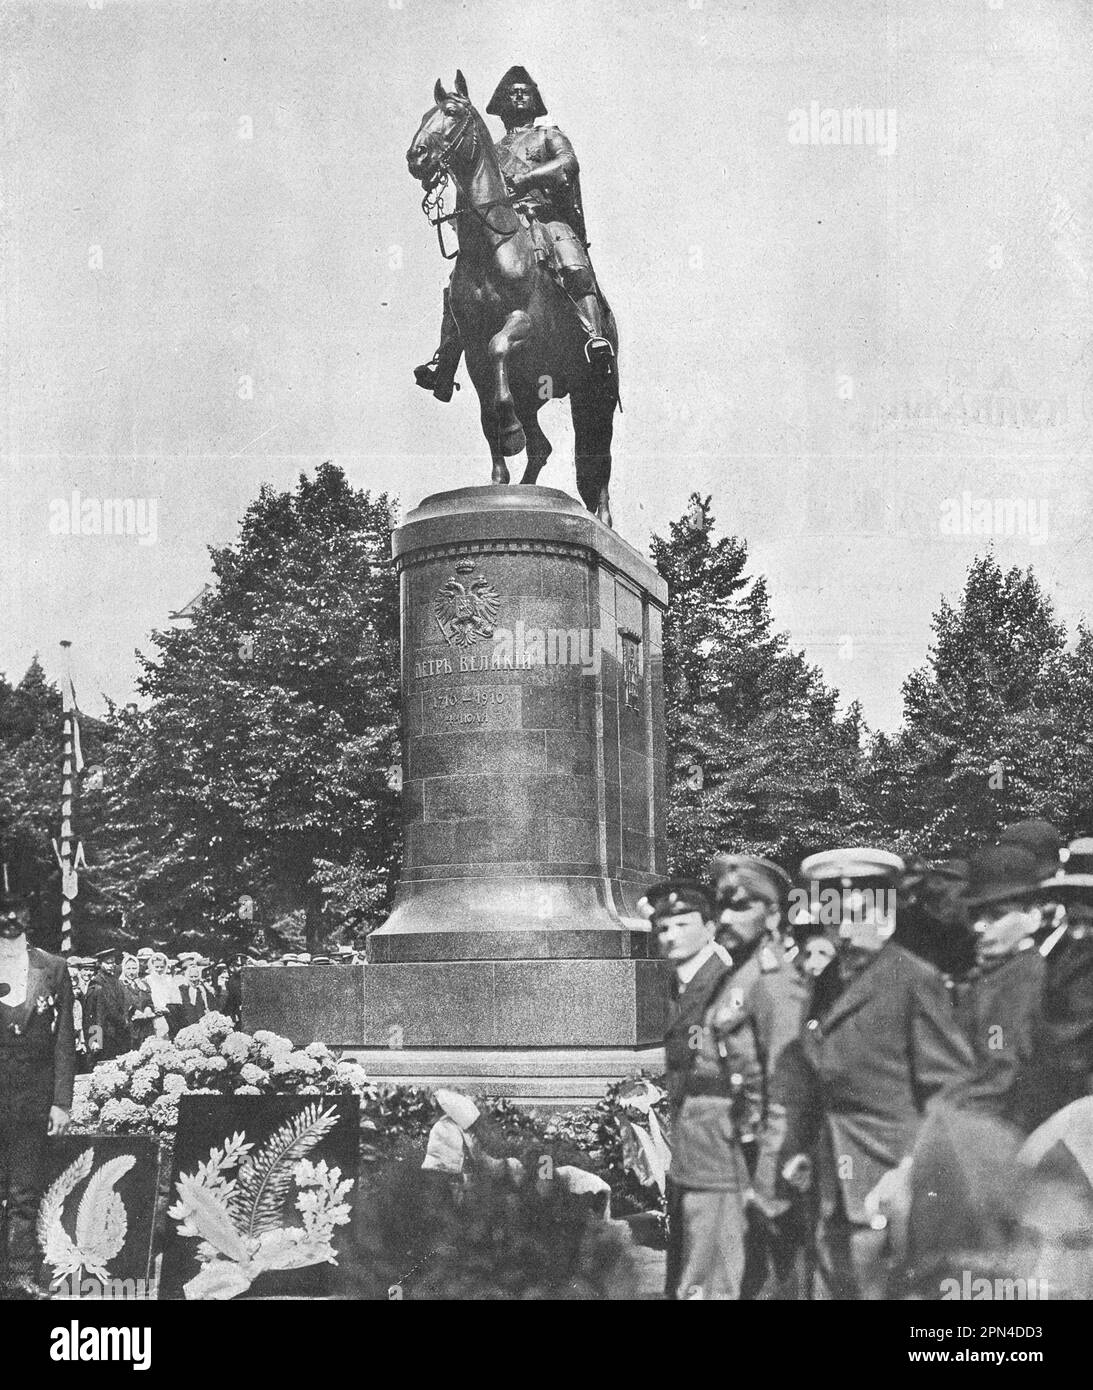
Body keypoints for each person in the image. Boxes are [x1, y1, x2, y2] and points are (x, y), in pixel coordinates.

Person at [779, 848, 974, 1299]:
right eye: (833, 918)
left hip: (888, 1175)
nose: (844, 932)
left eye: (857, 915)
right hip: (828, 1177)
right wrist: (800, 1146)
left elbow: (951, 1089)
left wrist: (910, 1168)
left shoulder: (912, 979)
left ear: (886, 914)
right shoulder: (826, 983)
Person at [414, 65, 614, 400]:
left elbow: (567, 164)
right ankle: (444, 361)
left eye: (524, 90)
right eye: (511, 91)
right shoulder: (489, 148)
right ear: (500, 103)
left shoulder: (546, 136)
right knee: (457, 285)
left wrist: (526, 179)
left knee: (571, 259)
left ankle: (594, 334)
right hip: (501, 226)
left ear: (535, 99)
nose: (518, 94)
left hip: (543, 218)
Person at [643, 878, 757, 1299]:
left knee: (712, 1273)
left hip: (718, 1154)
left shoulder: (721, 984)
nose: (671, 936)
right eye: (663, 928)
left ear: (710, 927)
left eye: (682, 924)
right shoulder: (686, 983)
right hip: (693, 1149)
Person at [707, 853, 812, 1297]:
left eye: (741, 906)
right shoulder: (741, 974)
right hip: (732, 1161)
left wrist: (769, 1187)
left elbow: (785, 1091)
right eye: (721, 907)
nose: (724, 918)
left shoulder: (774, 983)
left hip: (760, 1167)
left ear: (773, 914)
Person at [0, 871, 74, 1297]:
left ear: (29, 915)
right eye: (2, 911)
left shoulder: (53, 968)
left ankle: (20, 1278)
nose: (10, 918)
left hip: (33, 1097)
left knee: (26, 1194)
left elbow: (65, 1039)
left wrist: (61, 1102)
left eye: (17, 910)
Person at [945, 845, 1046, 1120]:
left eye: (996, 915)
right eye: (977, 915)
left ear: (1033, 917)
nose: (979, 926)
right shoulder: (996, 973)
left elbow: (997, 1076)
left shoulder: (1021, 979)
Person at [83, 947, 130, 1063]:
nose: (111, 965)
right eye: (108, 963)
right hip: (104, 1035)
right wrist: (95, 1039)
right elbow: (94, 1015)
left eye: (113, 962)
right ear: (100, 964)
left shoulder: (115, 981)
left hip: (118, 1032)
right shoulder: (97, 984)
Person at [119, 952, 156, 1047]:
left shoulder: (143, 984)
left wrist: (148, 1008)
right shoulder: (119, 985)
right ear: (124, 969)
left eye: (134, 968)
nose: (131, 972)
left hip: (146, 1026)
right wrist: (133, 1011)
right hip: (130, 1026)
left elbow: (149, 1000)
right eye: (128, 968)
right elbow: (119, 1005)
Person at [168, 957, 212, 1033]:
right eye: (191, 977)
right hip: (186, 1026)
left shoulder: (201, 990)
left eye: (196, 976)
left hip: (201, 1026)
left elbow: (206, 1008)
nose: (194, 979)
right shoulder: (181, 989)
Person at [145, 951, 180, 1037]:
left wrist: (167, 1009)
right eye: (156, 967)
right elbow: (145, 998)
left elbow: (176, 999)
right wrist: (152, 1008)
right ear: (152, 966)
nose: (159, 970)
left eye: (162, 967)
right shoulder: (147, 980)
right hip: (152, 1014)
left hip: (168, 1014)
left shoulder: (169, 980)